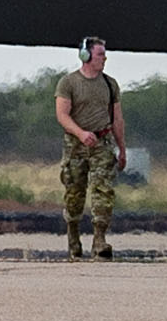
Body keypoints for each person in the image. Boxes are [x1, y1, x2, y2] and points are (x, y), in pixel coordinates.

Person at [53, 37, 124, 259]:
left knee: (103, 190)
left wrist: (122, 149)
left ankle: (99, 240)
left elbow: (117, 119)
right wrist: (81, 134)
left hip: (102, 143)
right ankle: (73, 236)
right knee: (74, 192)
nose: (104, 58)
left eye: (104, 54)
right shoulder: (68, 83)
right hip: (76, 144)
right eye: (100, 54)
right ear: (86, 56)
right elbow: (62, 115)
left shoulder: (110, 85)